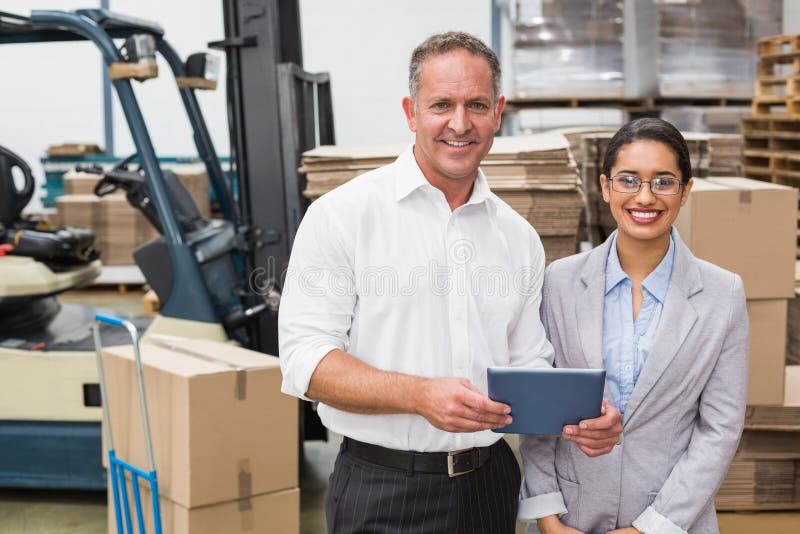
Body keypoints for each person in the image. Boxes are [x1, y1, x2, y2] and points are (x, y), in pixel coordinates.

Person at [279, 31, 622, 533]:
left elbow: (527, 362)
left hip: (489, 487)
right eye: (442, 104)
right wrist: (418, 396)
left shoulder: (517, 237)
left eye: (476, 105)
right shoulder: (343, 217)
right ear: (411, 111)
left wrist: (585, 416)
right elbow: (305, 362)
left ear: (498, 112)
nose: (460, 124)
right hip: (382, 488)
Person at [518, 118, 749, 534]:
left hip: (674, 520)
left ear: (686, 190)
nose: (645, 196)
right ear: (605, 187)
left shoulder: (723, 294)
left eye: (663, 181)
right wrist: (547, 515)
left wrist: (653, 527)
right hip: (571, 518)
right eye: (629, 180)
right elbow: (540, 412)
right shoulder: (560, 282)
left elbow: (720, 429)